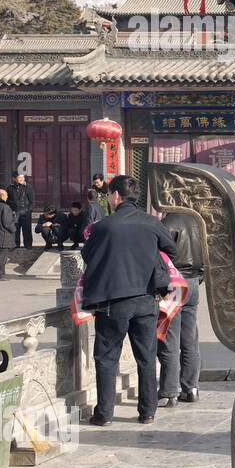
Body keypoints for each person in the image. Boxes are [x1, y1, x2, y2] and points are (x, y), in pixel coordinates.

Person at [81, 175, 176, 426]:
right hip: (147, 299)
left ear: (115, 196)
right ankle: (147, 412)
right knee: (146, 356)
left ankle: (104, 414)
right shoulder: (152, 223)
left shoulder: (103, 227)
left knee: (106, 357)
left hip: (114, 302)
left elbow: (87, 256)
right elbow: (171, 249)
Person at [157, 212, 203, 408]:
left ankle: (168, 392)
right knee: (190, 338)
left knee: (170, 339)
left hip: (176, 280)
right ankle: (191, 387)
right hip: (193, 281)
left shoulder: (167, 223)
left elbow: (160, 255)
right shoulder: (196, 222)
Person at [7, 173, 34, 248]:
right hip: (14, 212)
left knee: (27, 229)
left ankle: (28, 245)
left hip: (25, 212)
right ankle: (16, 244)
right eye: (19, 177)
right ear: (14, 179)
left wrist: (29, 210)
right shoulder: (10, 188)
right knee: (15, 229)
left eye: (23, 177)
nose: (22, 179)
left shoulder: (28, 187)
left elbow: (32, 201)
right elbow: (7, 200)